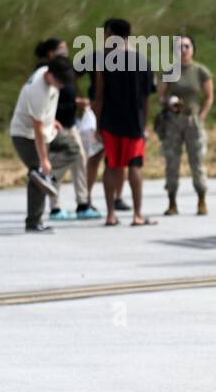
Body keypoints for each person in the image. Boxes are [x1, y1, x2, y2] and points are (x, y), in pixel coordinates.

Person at [94, 20, 157, 226]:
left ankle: (111, 214)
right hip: (134, 123)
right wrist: (144, 125)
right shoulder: (144, 61)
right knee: (135, 167)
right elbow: (146, 98)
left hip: (111, 122)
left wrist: (97, 125)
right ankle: (137, 214)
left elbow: (100, 96)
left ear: (110, 33)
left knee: (112, 166)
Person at [8, 56, 81, 233]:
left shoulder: (48, 76)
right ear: (49, 74)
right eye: (59, 82)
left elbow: (44, 114)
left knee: (72, 148)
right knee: (41, 172)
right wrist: (44, 160)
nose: (60, 86)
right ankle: (33, 222)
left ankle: (41, 176)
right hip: (26, 136)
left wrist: (52, 120)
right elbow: (37, 129)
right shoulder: (37, 91)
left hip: (47, 130)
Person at [34, 39, 95, 220]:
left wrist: (77, 102)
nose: (65, 52)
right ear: (51, 53)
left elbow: (66, 94)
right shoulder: (45, 72)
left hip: (71, 123)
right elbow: (47, 101)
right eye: (61, 49)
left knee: (80, 160)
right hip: (55, 126)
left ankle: (83, 204)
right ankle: (55, 206)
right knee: (57, 163)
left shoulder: (64, 69)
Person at [156, 35, 214, 216]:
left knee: (197, 160)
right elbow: (161, 95)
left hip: (193, 120)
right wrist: (169, 102)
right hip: (173, 121)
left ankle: (201, 199)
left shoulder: (200, 71)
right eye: (179, 47)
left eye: (186, 46)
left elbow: (209, 96)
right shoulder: (170, 70)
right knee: (172, 161)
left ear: (192, 49)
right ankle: (172, 201)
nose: (183, 50)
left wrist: (202, 115)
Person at [83, 19, 134, 212]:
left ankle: (115, 197)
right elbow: (73, 75)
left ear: (108, 33)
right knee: (100, 157)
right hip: (106, 114)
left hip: (105, 114)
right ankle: (87, 197)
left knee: (113, 159)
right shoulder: (98, 57)